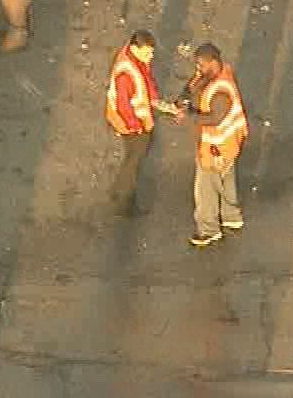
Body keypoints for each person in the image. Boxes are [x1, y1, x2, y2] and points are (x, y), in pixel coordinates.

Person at [177, 43, 248, 247]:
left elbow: (215, 118)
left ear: (213, 63)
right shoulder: (215, 73)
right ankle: (231, 216)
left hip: (218, 145)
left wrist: (189, 114)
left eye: (200, 64)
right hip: (229, 142)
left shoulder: (221, 91)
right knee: (225, 178)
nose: (197, 68)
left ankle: (208, 230)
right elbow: (194, 83)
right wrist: (183, 97)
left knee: (205, 186)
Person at [105, 30, 180, 216]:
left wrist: (163, 106)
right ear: (134, 49)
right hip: (132, 125)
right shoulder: (126, 74)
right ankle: (125, 203)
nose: (151, 56)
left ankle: (117, 191)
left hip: (136, 121)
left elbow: (147, 85)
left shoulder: (135, 62)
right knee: (133, 163)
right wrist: (136, 127)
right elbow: (124, 106)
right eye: (147, 52)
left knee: (131, 159)